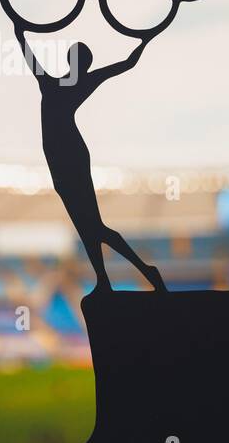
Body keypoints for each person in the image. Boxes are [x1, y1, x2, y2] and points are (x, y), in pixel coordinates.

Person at [14, 23, 167, 292]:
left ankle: (141, 271)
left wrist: (20, 33)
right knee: (87, 226)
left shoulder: (51, 82)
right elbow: (127, 63)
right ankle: (107, 279)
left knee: (93, 225)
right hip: (62, 157)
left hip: (67, 156)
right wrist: (144, 40)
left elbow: (29, 55)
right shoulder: (75, 81)